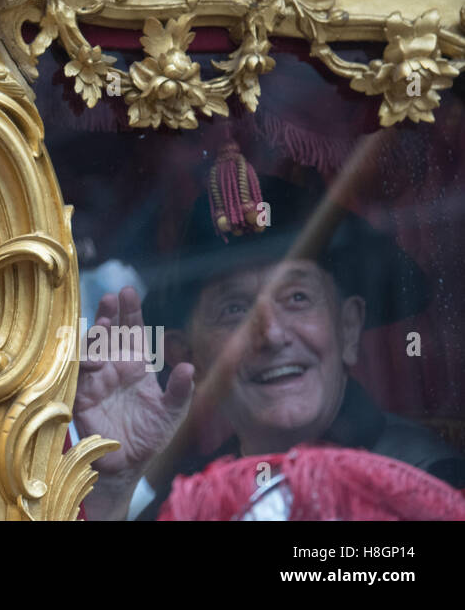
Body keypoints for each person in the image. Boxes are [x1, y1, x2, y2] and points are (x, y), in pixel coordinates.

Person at [73, 161, 465, 520]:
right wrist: (113, 487)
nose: (272, 334)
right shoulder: (183, 502)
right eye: (234, 310)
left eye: (297, 299)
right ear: (184, 355)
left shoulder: (434, 485)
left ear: (348, 328)